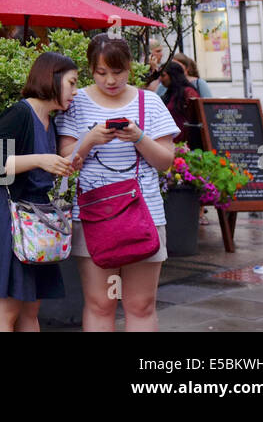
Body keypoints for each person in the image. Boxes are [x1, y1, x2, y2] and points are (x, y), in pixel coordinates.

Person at [58, 35, 176, 332]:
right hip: (94, 216)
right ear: (91, 70)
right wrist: (90, 140)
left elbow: (165, 161)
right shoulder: (77, 102)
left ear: (130, 68)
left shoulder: (149, 102)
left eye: (118, 72)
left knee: (141, 305)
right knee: (100, 303)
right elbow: (65, 164)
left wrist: (138, 137)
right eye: (101, 73)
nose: (111, 80)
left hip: (143, 214)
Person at [0, 51, 79, 332]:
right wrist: (41, 160)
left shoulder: (48, 120)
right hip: (10, 217)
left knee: (30, 310)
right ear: (52, 79)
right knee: (6, 310)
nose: (75, 91)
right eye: (72, 83)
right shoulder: (19, 114)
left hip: (34, 220)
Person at [161, 60, 202, 148]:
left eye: (163, 75)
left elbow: (198, 116)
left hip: (186, 144)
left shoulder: (188, 92)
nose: (161, 79)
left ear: (172, 75)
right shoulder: (169, 94)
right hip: (171, 142)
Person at [145, 47, 212, 98]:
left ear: (187, 68)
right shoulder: (165, 84)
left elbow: (208, 103)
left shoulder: (198, 84)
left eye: (178, 66)